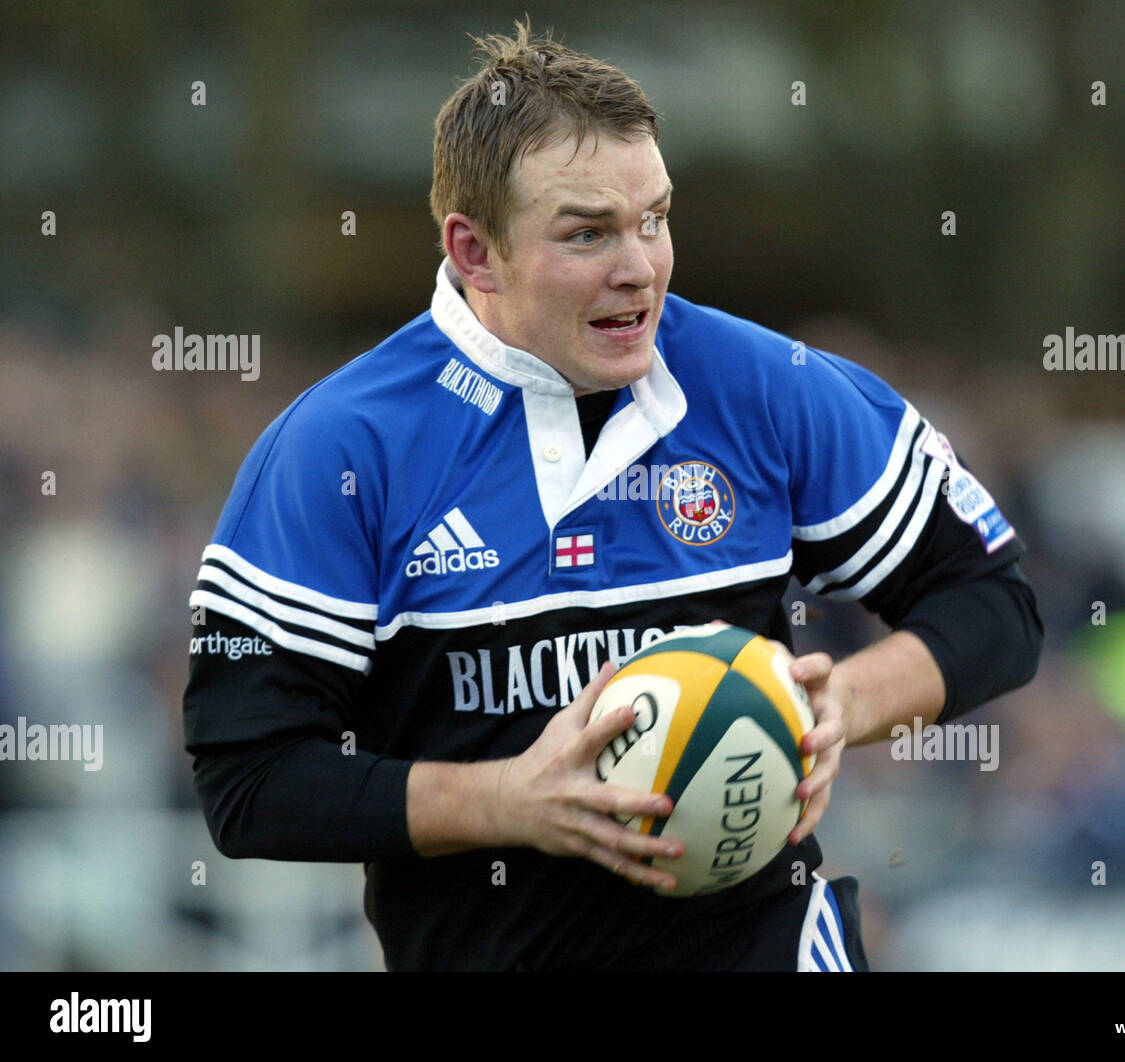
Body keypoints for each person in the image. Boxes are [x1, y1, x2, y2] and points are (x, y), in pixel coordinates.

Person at [182, 20, 1043, 972]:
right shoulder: (341, 448)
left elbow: (994, 600)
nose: (639, 267)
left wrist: (841, 701)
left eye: (655, 219)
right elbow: (249, 780)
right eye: (587, 233)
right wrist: (510, 799)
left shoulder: (765, 385)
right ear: (474, 252)